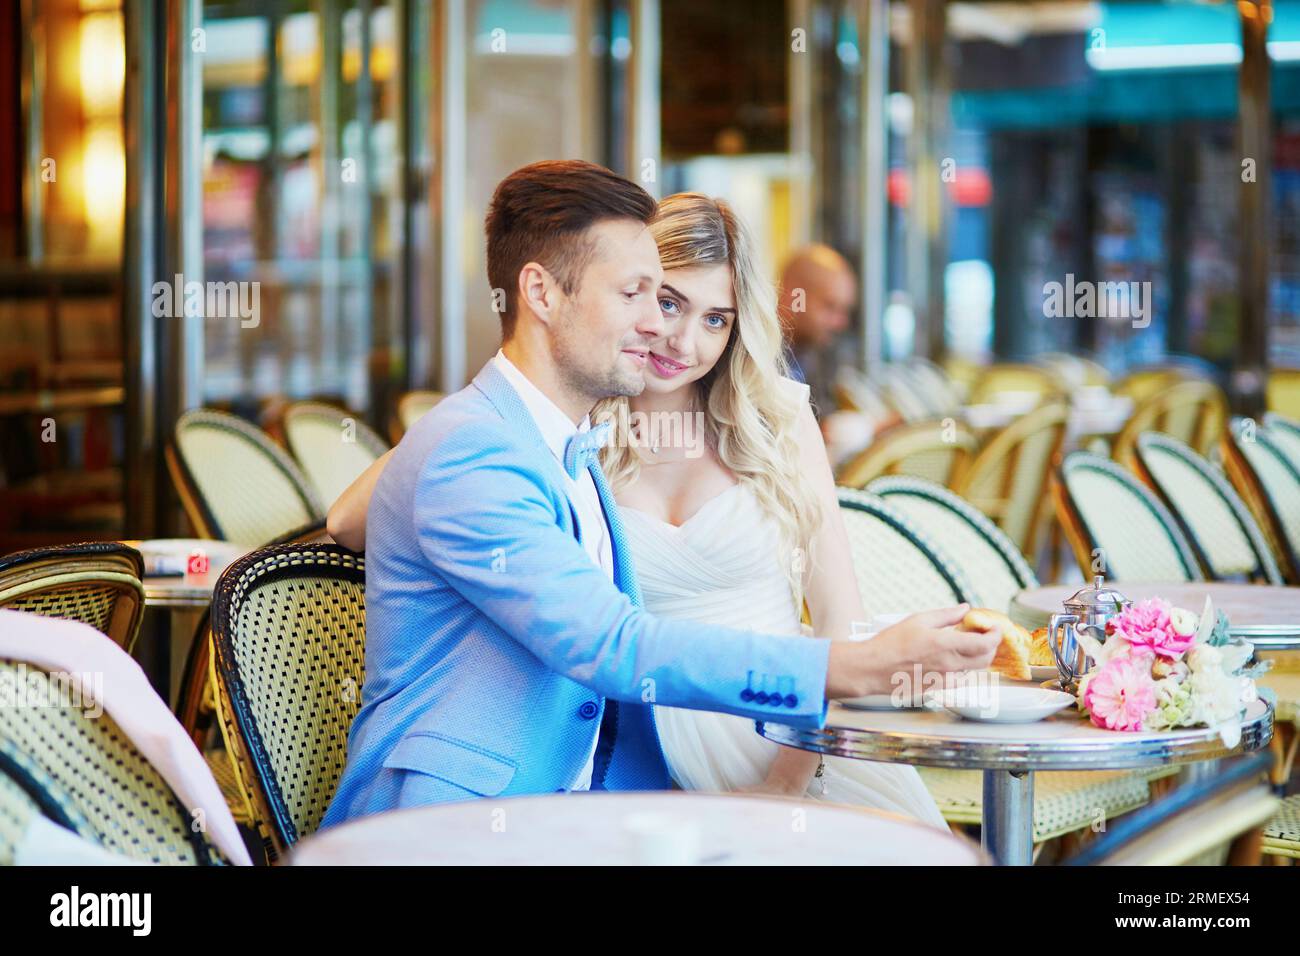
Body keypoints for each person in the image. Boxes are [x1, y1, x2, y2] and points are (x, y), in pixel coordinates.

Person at [320, 161, 998, 827]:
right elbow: (613, 644)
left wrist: (788, 775)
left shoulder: (590, 429)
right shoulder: (510, 437)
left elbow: (831, 615)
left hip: (725, 747)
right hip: (513, 798)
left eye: (715, 318)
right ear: (546, 295)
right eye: (649, 298)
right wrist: (482, 411)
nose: (666, 332)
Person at [778, 244, 858, 416]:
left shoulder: (821, 357)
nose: (841, 323)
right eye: (830, 307)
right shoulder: (748, 356)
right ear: (795, 296)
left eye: (844, 310)